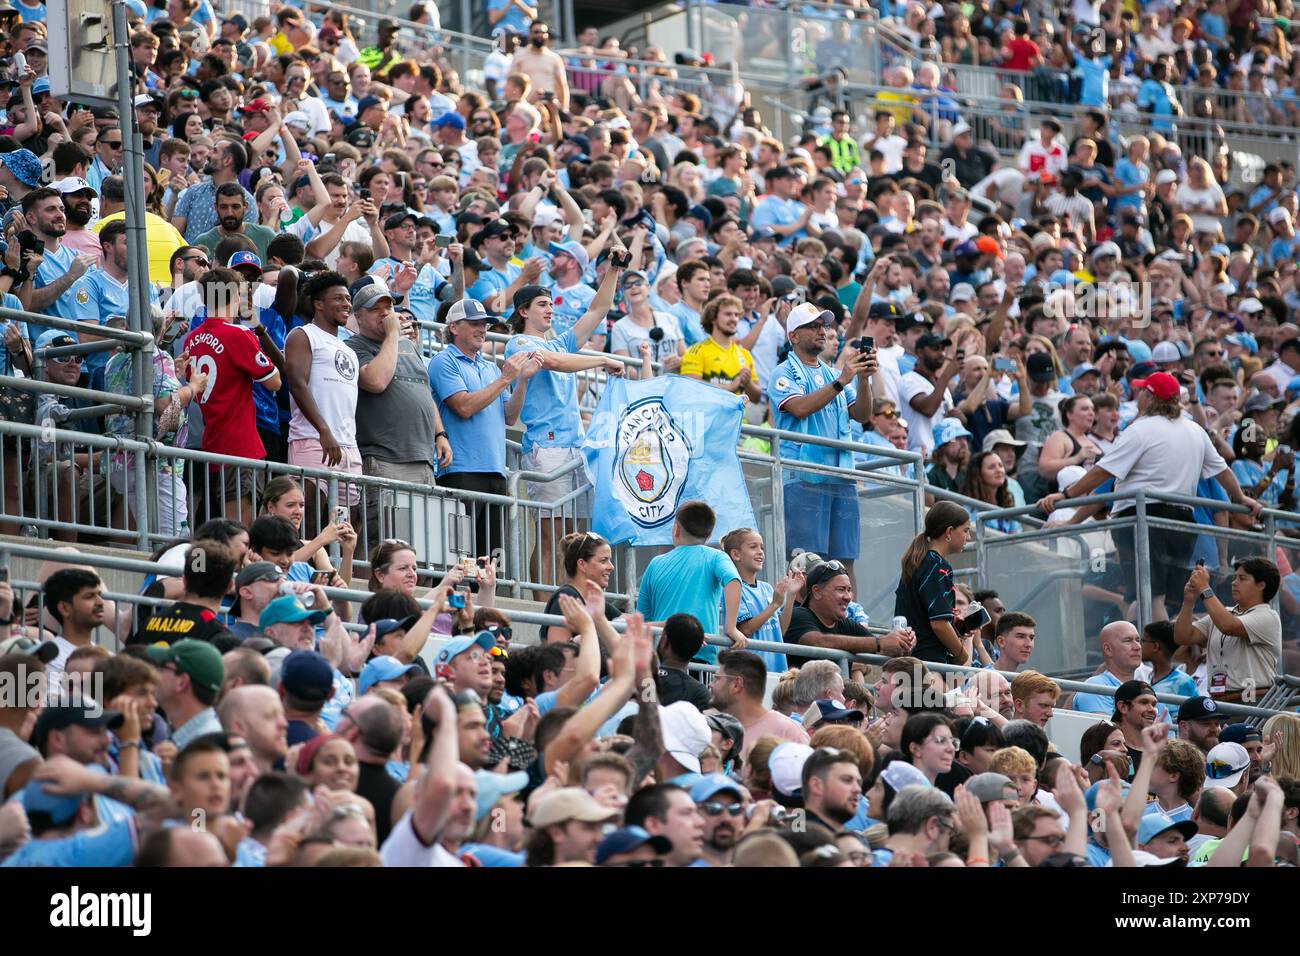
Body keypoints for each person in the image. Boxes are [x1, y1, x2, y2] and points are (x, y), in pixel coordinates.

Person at [1040, 371, 1262, 622]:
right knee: (1162, 601)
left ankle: (1159, 657)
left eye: (1143, 391)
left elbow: (1102, 472)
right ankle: (1159, 652)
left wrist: (1066, 494)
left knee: (1151, 597)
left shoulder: (1140, 429)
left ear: (1149, 397)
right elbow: (1222, 471)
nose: (1138, 396)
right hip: (1182, 522)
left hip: (1142, 519)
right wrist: (1240, 499)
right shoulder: (1195, 430)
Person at [769, 301, 876, 575]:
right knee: (807, 561)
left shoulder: (831, 373)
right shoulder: (783, 373)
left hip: (840, 476)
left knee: (845, 560)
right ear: (793, 335)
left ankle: (850, 617)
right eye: (812, 326)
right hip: (804, 477)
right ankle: (803, 618)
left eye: (823, 325)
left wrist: (863, 379)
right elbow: (800, 408)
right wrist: (842, 381)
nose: (821, 331)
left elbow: (862, 414)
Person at [429, 298, 537, 562]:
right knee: (459, 557)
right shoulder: (443, 361)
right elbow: (463, 407)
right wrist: (505, 379)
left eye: (484, 324)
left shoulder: (490, 366)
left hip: (495, 471)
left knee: (489, 560)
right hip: (460, 470)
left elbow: (510, 417)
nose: (482, 329)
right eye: (474, 324)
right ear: (454, 327)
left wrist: (521, 380)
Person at [183, 266, 283, 525]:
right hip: (240, 445)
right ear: (235, 296)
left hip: (211, 441)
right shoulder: (239, 333)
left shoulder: (190, 339)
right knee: (240, 528)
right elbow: (274, 382)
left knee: (219, 524)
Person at [634, 500, 744, 664]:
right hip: (700, 657)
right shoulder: (716, 557)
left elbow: (642, 620)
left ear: (676, 529)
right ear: (709, 534)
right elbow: (733, 581)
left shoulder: (655, 563)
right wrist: (731, 628)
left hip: (660, 659)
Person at [1174, 557, 1283, 703]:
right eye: (1234, 577)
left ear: (1261, 585)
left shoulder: (1268, 616)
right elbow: (1183, 637)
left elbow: (1228, 626)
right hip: (1218, 701)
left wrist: (1205, 589)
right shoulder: (1223, 613)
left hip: (1253, 701)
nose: (1234, 582)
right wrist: (1189, 601)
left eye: (1242, 578)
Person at [894, 501, 976, 664]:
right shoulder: (938, 567)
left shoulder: (919, 562)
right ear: (949, 532)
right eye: (965, 530)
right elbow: (939, 624)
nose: (968, 537)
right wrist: (961, 656)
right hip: (927, 663)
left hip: (913, 659)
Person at [785, 560, 913, 656]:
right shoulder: (798, 615)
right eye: (841, 590)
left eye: (849, 590)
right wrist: (879, 643)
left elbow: (885, 649)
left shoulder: (847, 625)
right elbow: (818, 641)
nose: (848, 597)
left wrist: (904, 642)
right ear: (817, 592)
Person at [721, 528, 801, 673]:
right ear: (736, 554)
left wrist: (791, 597)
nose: (760, 552)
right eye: (753, 547)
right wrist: (775, 604)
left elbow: (780, 630)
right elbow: (745, 630)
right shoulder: (733, 589)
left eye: (762, 547)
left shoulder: (766, 588)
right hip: (749, 673)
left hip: (776, 670)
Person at [708, 649, 809, 762]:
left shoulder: (789, 733)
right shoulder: (708, 728)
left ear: (736, 684)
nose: (710, 684)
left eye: (716, 678)